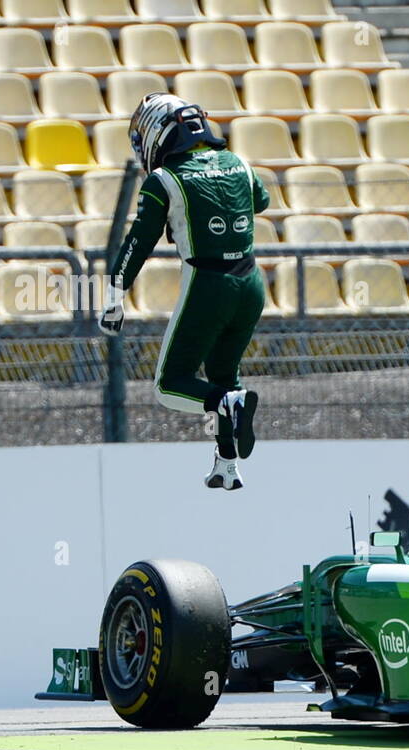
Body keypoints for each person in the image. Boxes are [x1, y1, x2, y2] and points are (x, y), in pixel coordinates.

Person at [99, 93, 270, 491]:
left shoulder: (164, 179)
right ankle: (227, 464)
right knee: (224, 376)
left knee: (169, 384)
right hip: (252, 283)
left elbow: (138, 243)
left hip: (208, 284)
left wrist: (113, 296)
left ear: (160, 133)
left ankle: (227, 405)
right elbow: (260, 200)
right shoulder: (240, 163)